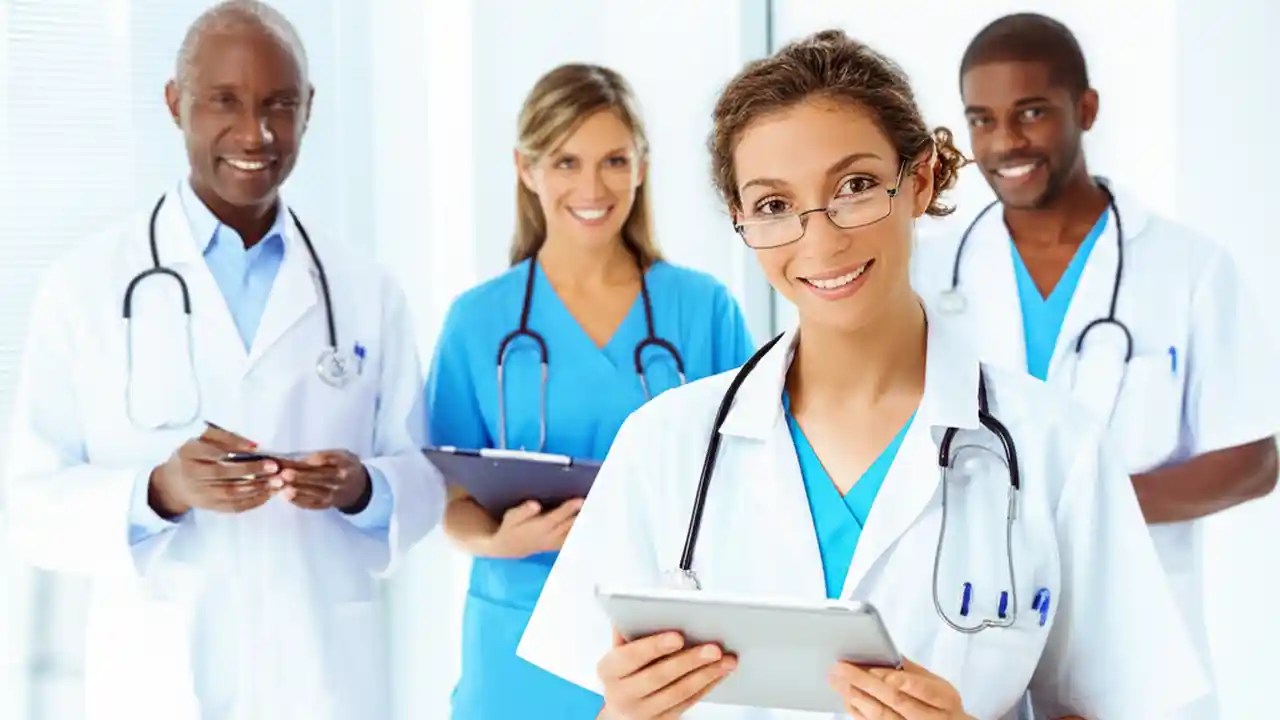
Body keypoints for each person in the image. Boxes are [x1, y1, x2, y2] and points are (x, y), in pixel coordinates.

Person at [514, 30, 1209, 719]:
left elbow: (1117, 703)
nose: (820, 239)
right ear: (741, 221)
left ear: (923, 180)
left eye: (855, 187)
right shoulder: (664, 444)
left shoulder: (1056, 447)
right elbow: (596, 694)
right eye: (774, 206)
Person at [0, 2, 444, 718]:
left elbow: (422, 481)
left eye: (279, 105)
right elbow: (30, 509)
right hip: (158, 678)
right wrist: (160, 491)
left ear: (310, 110)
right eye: (224, 102)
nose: (256, 133)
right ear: (176, 104)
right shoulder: (85, 285)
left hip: (321, 674)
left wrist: (363, 487)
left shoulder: (364, 288)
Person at [909, 14, 1280, 717]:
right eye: (981, 120)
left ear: (1086, 109)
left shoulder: (1187, 267)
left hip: (1136, 621)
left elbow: (1253, 459)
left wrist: (1097, 508)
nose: (1005, 142)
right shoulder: (930, 273)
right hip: (970, 619)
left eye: (1031, 113)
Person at [424, 63, 754, 718]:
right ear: (527, 169)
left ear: (641, 166)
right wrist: (498, 543)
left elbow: (753, 472)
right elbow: (449, 497)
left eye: (613, 160)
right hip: (516, 627)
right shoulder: (477, 321)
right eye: (566, 162)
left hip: (659, 632)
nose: (592, 186)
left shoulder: (704, 308)